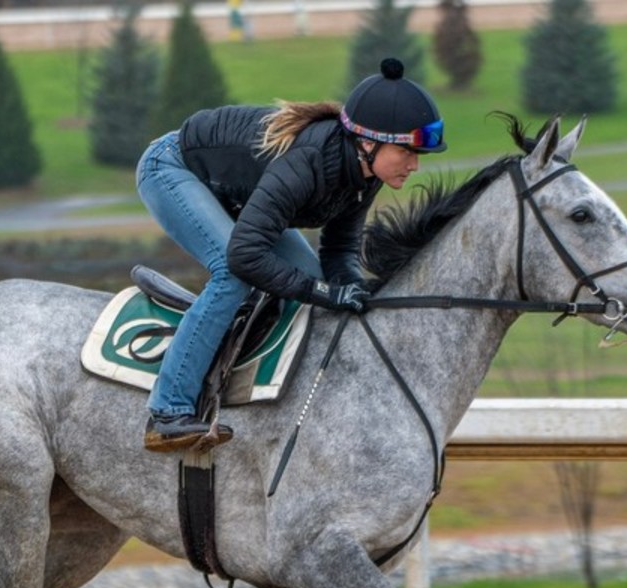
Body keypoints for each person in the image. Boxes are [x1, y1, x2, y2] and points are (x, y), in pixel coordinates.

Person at [136, 57, 447, 453]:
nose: (415, 165)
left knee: (311, 282)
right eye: (407, 152)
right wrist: (323, 291)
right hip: (175, 169)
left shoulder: (365, 175)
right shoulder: (310, 160)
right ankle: (168, 411)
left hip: (239, 193)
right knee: (233, 276)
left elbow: (339, 251)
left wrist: (353, 292)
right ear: (368, 142)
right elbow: (245, 257)